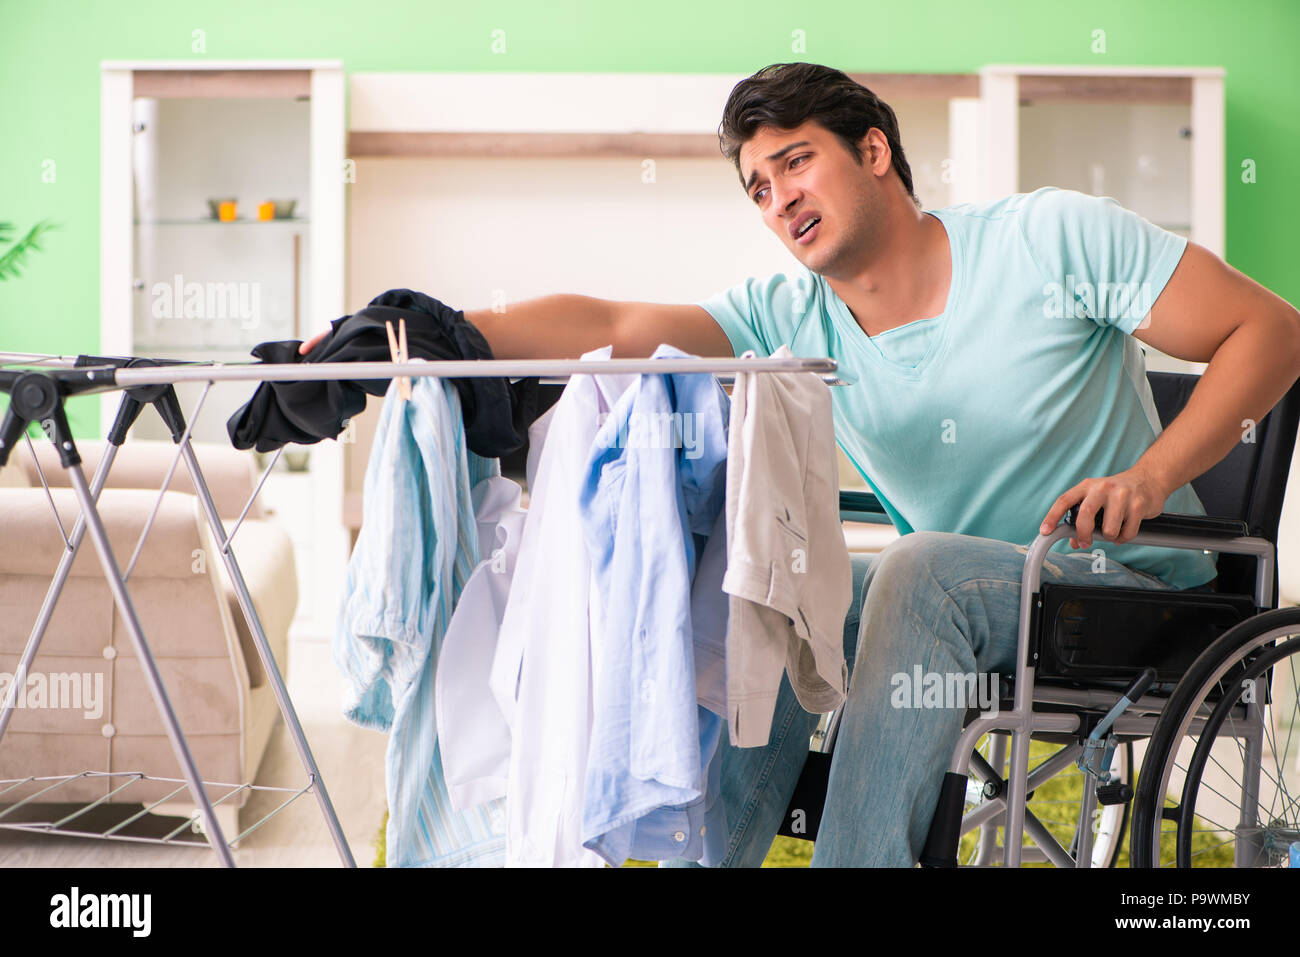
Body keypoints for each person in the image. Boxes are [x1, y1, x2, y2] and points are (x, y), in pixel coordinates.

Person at [302, 62, 1300, 866]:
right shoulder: (792, 318)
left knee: (914, 572)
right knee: (773, 585)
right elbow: (614, 322)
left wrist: (1152, 474)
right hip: (964, 596)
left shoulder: (1047, 237)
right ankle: (717, 859)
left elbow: (1270, 329)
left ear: (874, 151)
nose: (779, 199)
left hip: (1122, 590)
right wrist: (416, 331)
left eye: (795, 164)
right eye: (759, 188)